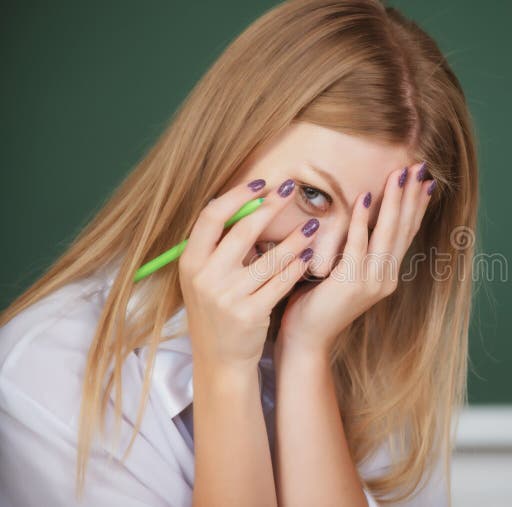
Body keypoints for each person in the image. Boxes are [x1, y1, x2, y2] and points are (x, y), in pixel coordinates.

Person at [0, 0, 478, 505]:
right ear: (231, 140)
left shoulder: (379, 366)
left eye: (374, 224)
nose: (323, 262)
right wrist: (226, 371)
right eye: (312, 195)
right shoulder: (46, 373)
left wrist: (305, 351)